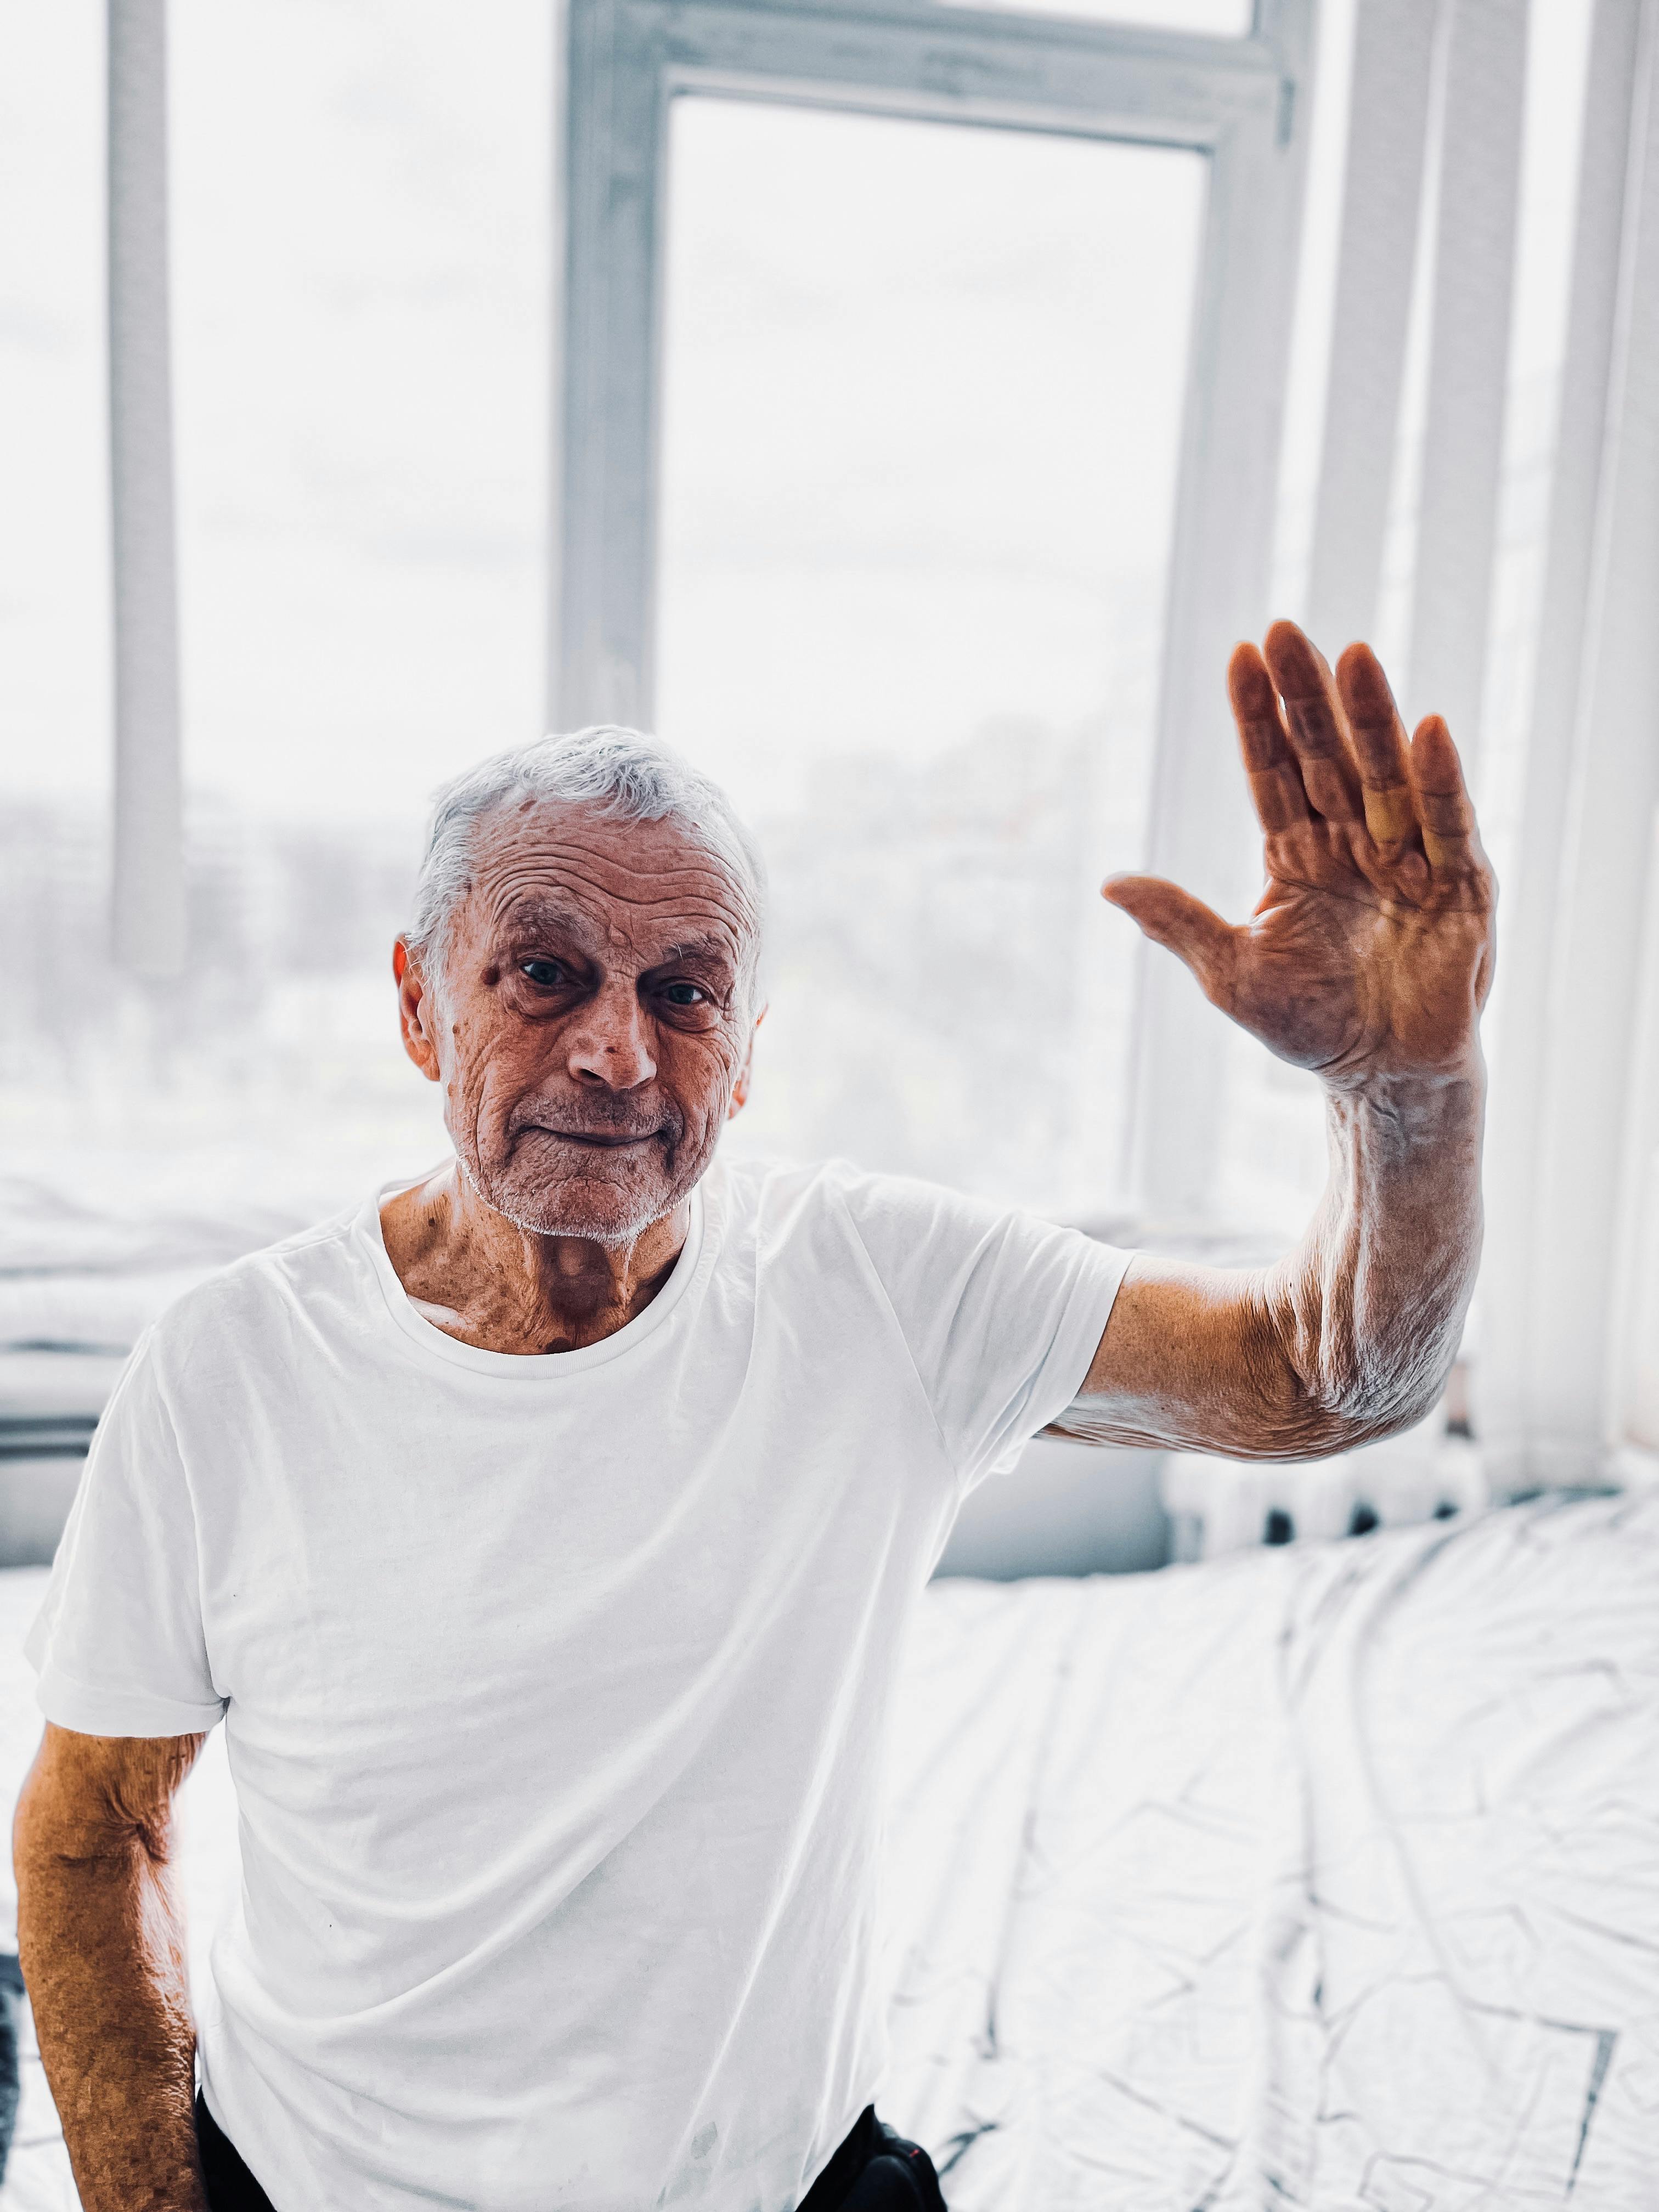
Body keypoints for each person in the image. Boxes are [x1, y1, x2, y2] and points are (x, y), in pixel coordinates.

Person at [13, 622, 1494, 2211]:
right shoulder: (224, 1371)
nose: (614, 1048)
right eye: (545, 972)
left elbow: (1333, 1376)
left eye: (686, 991)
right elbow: (93, 1839)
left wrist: (1408, 1092)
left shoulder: (875, 1288)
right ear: (419, 1005)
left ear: (749, 1053)